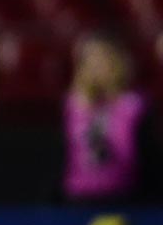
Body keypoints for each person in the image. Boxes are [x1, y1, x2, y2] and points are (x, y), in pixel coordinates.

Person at [61, 33, 158, 204]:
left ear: (117, 63)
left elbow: (135, 154)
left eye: (103, 59)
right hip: (78, 196)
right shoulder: (74, 103)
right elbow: (70, 151)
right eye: (90, 60)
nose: (97, 66)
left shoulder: (133, 104)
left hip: (125, 195)